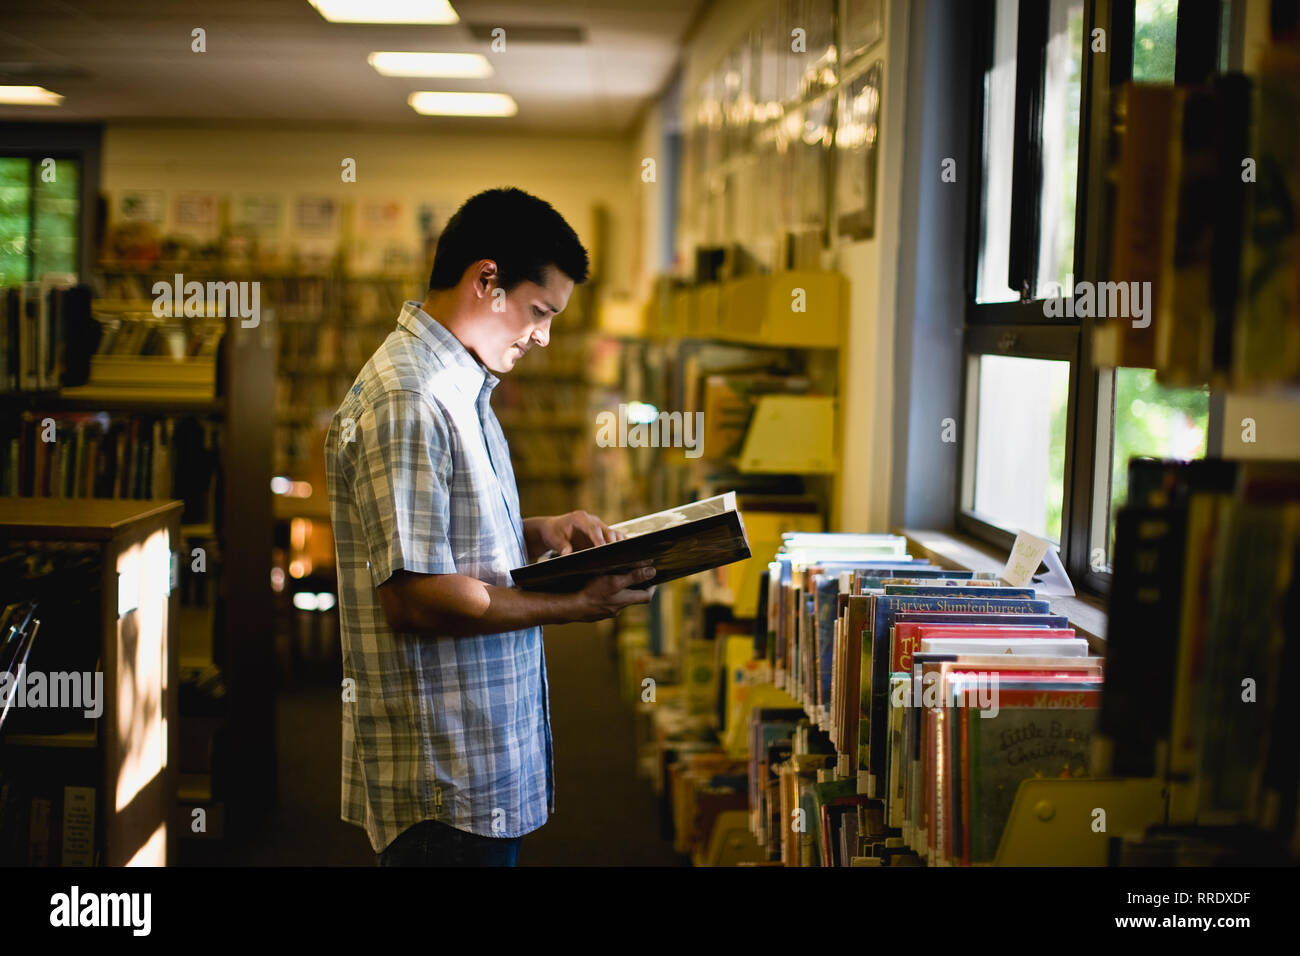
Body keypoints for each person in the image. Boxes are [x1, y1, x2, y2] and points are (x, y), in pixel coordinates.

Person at [325, 187, 655, 867]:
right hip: (445, 776)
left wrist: (540, 531)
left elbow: (447, 535)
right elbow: (417, 597)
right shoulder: (411, 398)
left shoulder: (458, 385)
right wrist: (574, 605)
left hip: (475, 758)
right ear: (487, 281)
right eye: (540, 311)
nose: (543, 335)